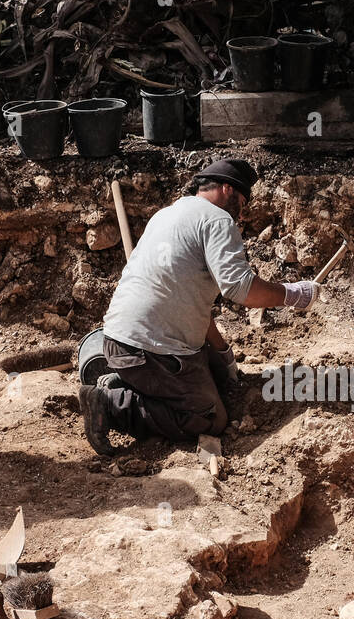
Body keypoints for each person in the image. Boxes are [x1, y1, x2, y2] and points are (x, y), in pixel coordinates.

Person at [83, 158, 319, 455]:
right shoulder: (217, 220)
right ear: (226, 189)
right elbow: (240, 288)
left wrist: (223, 353)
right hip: (149, 351)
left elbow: (190, 302)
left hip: (117, 343)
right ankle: (112, 405)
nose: (242, 213)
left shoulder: (167, 215)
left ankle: (128, 382)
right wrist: (291, 294)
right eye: (242, 203)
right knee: (209, 417)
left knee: (214, 376)